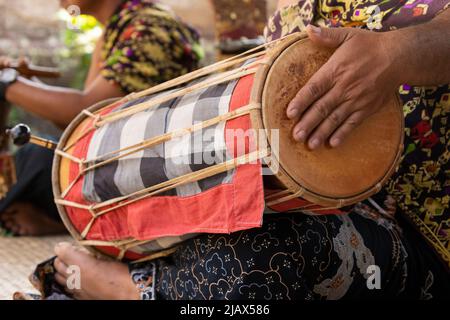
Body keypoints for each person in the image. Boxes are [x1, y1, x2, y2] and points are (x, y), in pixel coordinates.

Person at [24, 0, 449, 300]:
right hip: (319, 204)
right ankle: (152, 273)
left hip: (421, 231)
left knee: (257, 260)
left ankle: (134, 290)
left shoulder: (146, 24)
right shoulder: (295, 14)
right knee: (198, 214)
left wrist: (398, 51)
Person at [0, 0, 202, 236]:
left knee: (35, 160)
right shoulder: (119, 28)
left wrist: (8, 82)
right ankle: (64, 224)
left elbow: (87, 111)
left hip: (157, 177)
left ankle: (66, 224)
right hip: (122, 170)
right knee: (39, 159)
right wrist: (25, 84)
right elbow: (82, 126)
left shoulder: (150, 29)